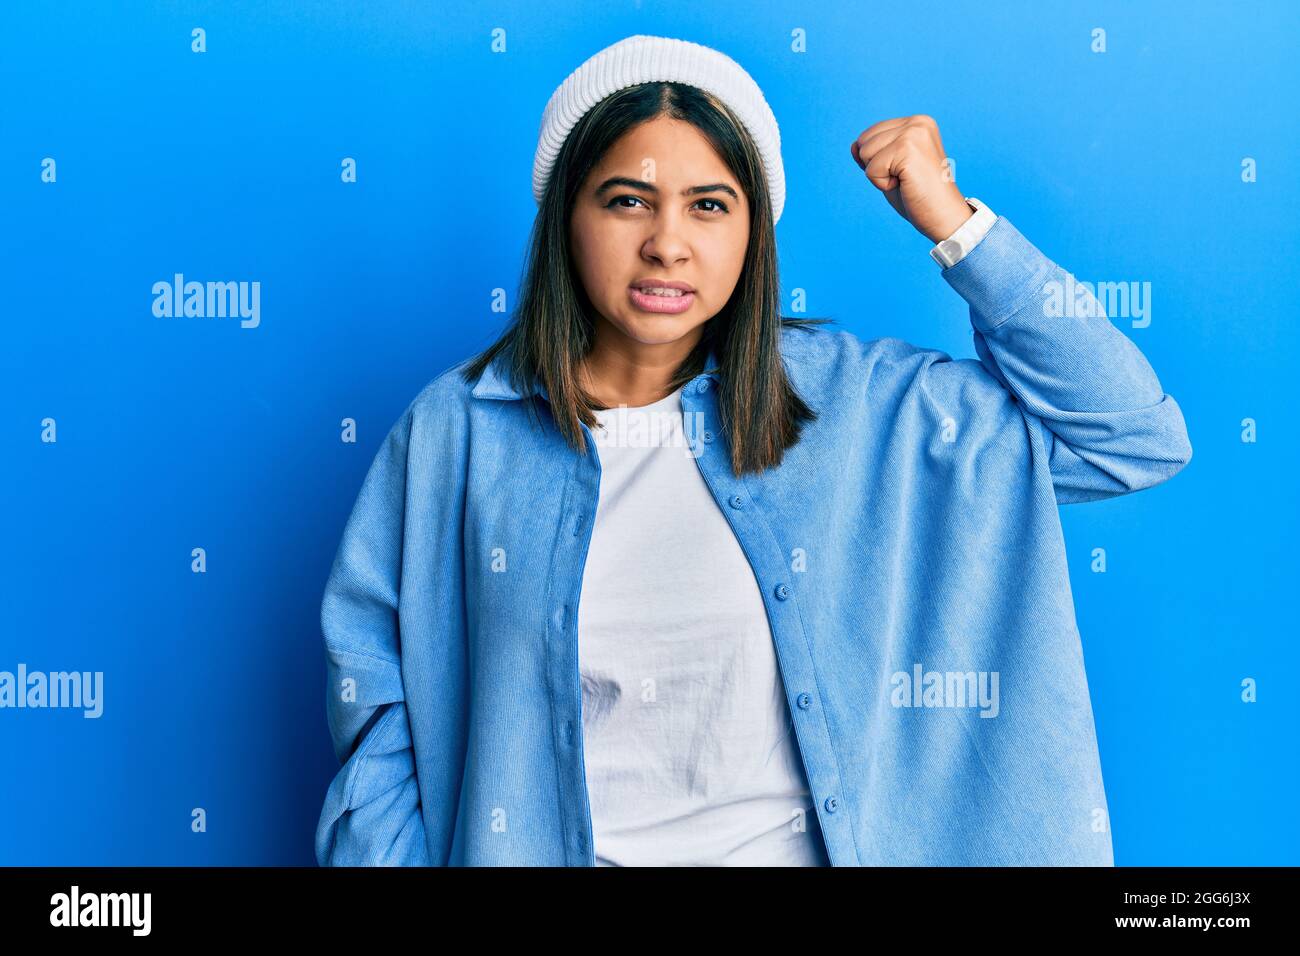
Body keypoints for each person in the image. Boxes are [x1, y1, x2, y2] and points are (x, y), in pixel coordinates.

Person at [314, 35, 1192, 867]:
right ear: (565, 218)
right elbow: (375, 708)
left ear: (751, 235)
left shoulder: (866, 411)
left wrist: (955, 224)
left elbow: (1129, 437)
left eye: (709, 205)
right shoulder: (457, 435)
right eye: (627, 200)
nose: (668, 241)